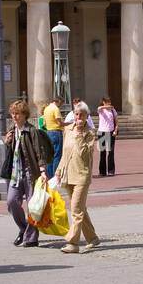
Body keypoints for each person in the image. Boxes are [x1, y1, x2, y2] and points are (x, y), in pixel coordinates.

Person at [2, 99, 49, 248]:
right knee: (11, 201)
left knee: (32, 205)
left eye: (17, 114)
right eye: (12, 114)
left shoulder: (32, 131)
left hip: (31, 172)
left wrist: (42, 171)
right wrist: (7, 141)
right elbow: (12, 152)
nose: (14, 117)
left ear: (24, 115)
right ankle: (23, 229)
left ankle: (31, 237)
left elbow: (39, 151)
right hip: (16, 173)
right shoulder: (12, 130)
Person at [57, 102, 101, 253]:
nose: (78, 117)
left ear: (87, 117)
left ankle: (73, 243)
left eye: (82, 114)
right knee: (80, 209)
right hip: (69, 173)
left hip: (82, 175)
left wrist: (80, 133)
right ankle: (93, 238)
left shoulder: (90, 133)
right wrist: (59, 169)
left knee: (76, 208)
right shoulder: (68, 129)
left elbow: (85, 154)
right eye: (76, 114)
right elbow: (65, 151)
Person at [42, 97, 65, 177]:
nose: (60, 106)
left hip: (48, 132)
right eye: (61, 104)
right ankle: (56, 175)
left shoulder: (46, 109)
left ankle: (50, 175)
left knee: (50, 155)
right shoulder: (55, 109)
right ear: (58, 102)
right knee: (57, 155)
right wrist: (69, 123)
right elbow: (60, 123)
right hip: (56, 132)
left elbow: (44, 124)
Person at [97, 96, 117, 176]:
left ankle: (111, 171)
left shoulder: (113, 110)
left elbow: (116, 120)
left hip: (111, 132)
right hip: (102, 132)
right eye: (107, 101)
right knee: (102, 152)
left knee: (111, 152)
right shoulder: (101, 109)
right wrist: (107, 106)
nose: (109, 103)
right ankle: (102, 171)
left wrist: (116, 129)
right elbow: (99, 108)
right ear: (103, 102)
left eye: (110, 101)